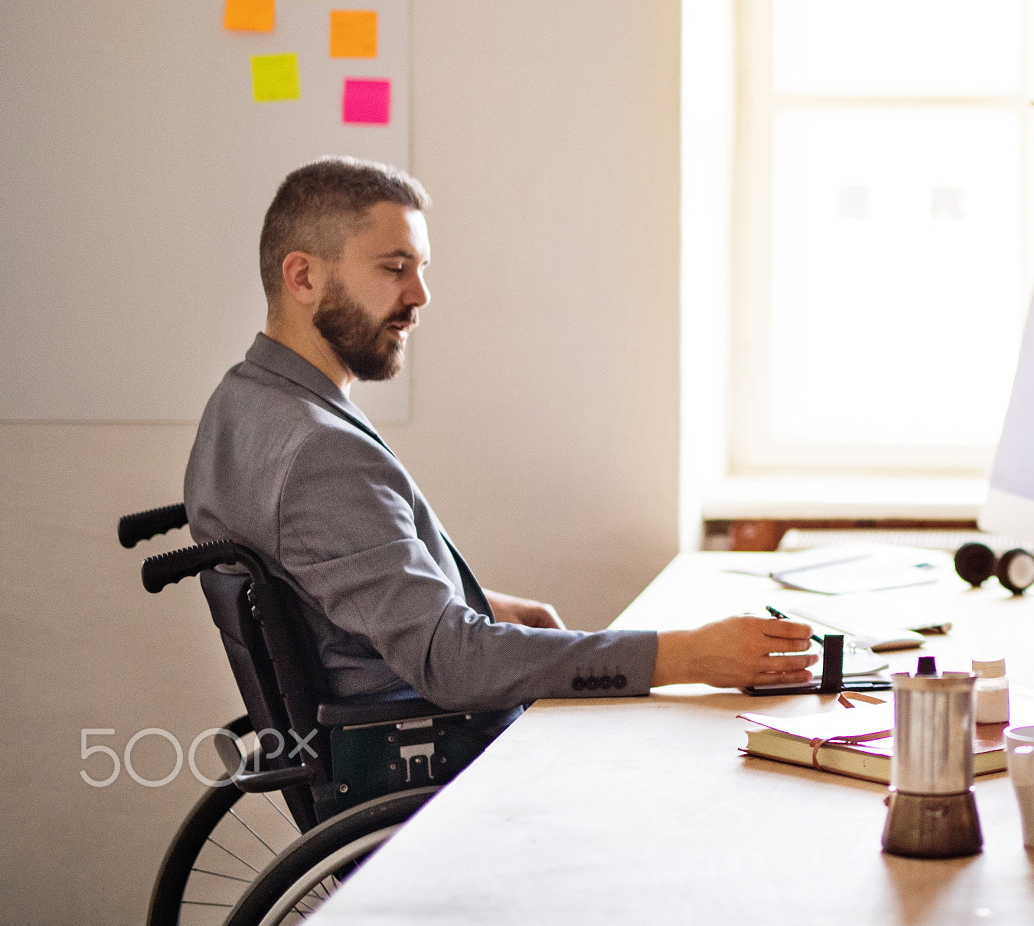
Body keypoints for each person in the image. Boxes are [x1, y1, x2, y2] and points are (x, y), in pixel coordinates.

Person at [186, 156, 813, 713]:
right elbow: (453, 664)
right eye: (394, 267)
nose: (420, 294)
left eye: (421, 267)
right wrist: (686, 657)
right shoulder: (322, 453)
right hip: (423, 746)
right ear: (303, 278)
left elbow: (336, 578)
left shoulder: (244, 405)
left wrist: (474, 601)